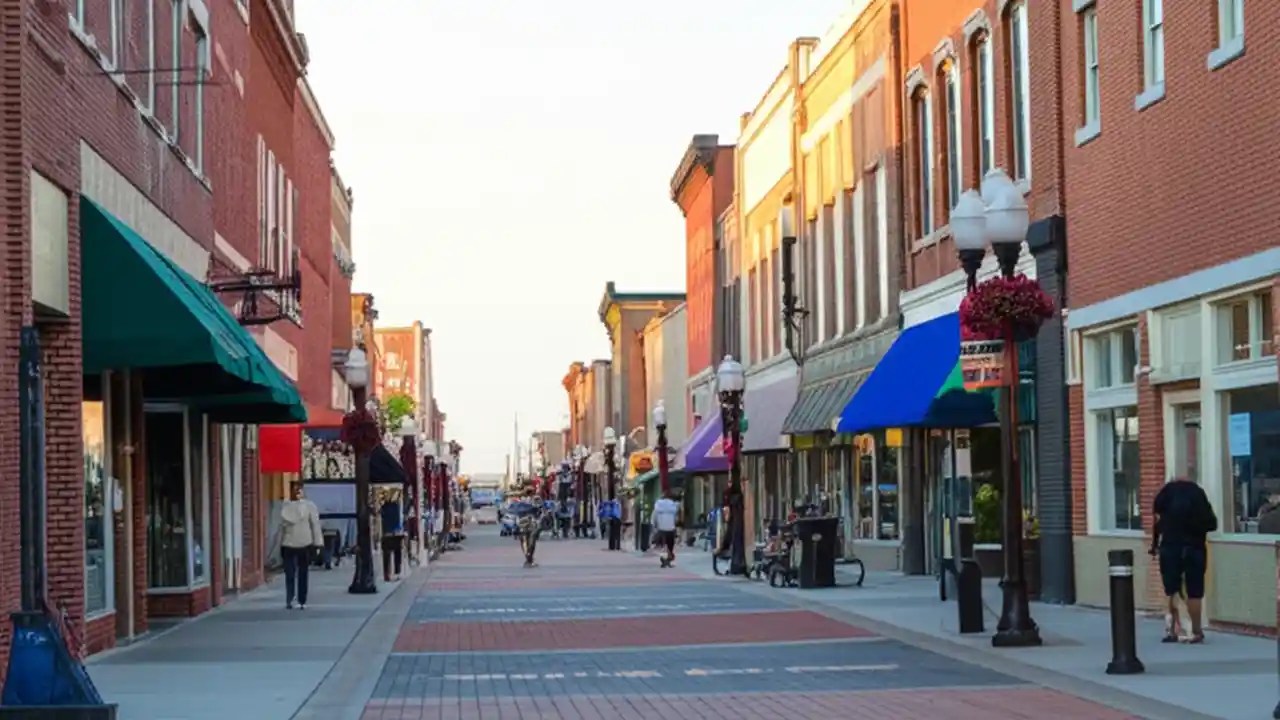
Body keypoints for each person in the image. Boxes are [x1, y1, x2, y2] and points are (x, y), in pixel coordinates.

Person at [1151, 476, 1218, 644]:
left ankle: (1173, 628)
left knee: (1171, 589)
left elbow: (1157, 524)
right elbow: (1212, 524)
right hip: (1195, 548)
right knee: (1195, 591)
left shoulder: (1166, 497)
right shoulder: (1197, 496)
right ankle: (1195, 630)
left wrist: (1155, 544)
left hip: (1171, 547)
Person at [273, 482, 323, 610]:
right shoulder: (309, 506)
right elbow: (315, 525)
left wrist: (275, 547)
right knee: (302, 573)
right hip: (304, 543)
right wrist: (318, 543)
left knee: (290, 574)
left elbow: (279, 529)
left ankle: (291, 599)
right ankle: (301, 600)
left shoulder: (284, 507)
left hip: (288, 544)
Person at [380, 491, 405, 581]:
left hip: (386, 533)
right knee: (397, 553)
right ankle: (397, 572)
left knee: (387, 555)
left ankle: (387, 574)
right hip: (397, 532)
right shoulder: (397, 506)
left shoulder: (384, 507)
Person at [651, 491, 680, 567]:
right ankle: (669, 560)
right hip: (671, 528)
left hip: (661, 528)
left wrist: (655, 526)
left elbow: (654, 517)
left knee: (663, 545)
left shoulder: (658, 506)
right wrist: (674, 524)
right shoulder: (673, 506)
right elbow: (676, 519)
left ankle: (663, 559)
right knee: (670, 545)